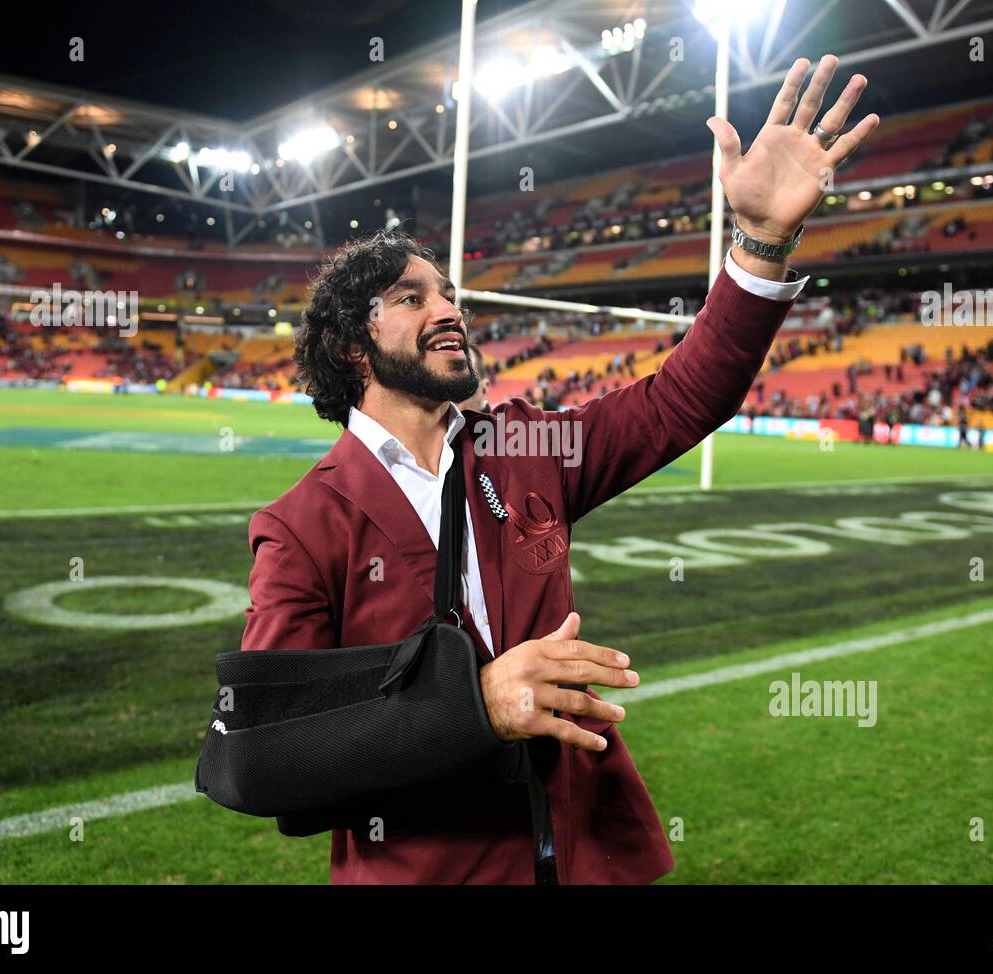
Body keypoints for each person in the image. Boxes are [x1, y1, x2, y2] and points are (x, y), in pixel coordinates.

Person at [239, 54, 877, 885]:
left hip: (584, 859)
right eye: (411, 298)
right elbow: (273, 762)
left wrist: (758, 244)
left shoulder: (525, 447)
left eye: (448, 293)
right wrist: (476, 708)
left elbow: (680, 401)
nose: (448, 310)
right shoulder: (301, 526)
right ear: (350, 347)